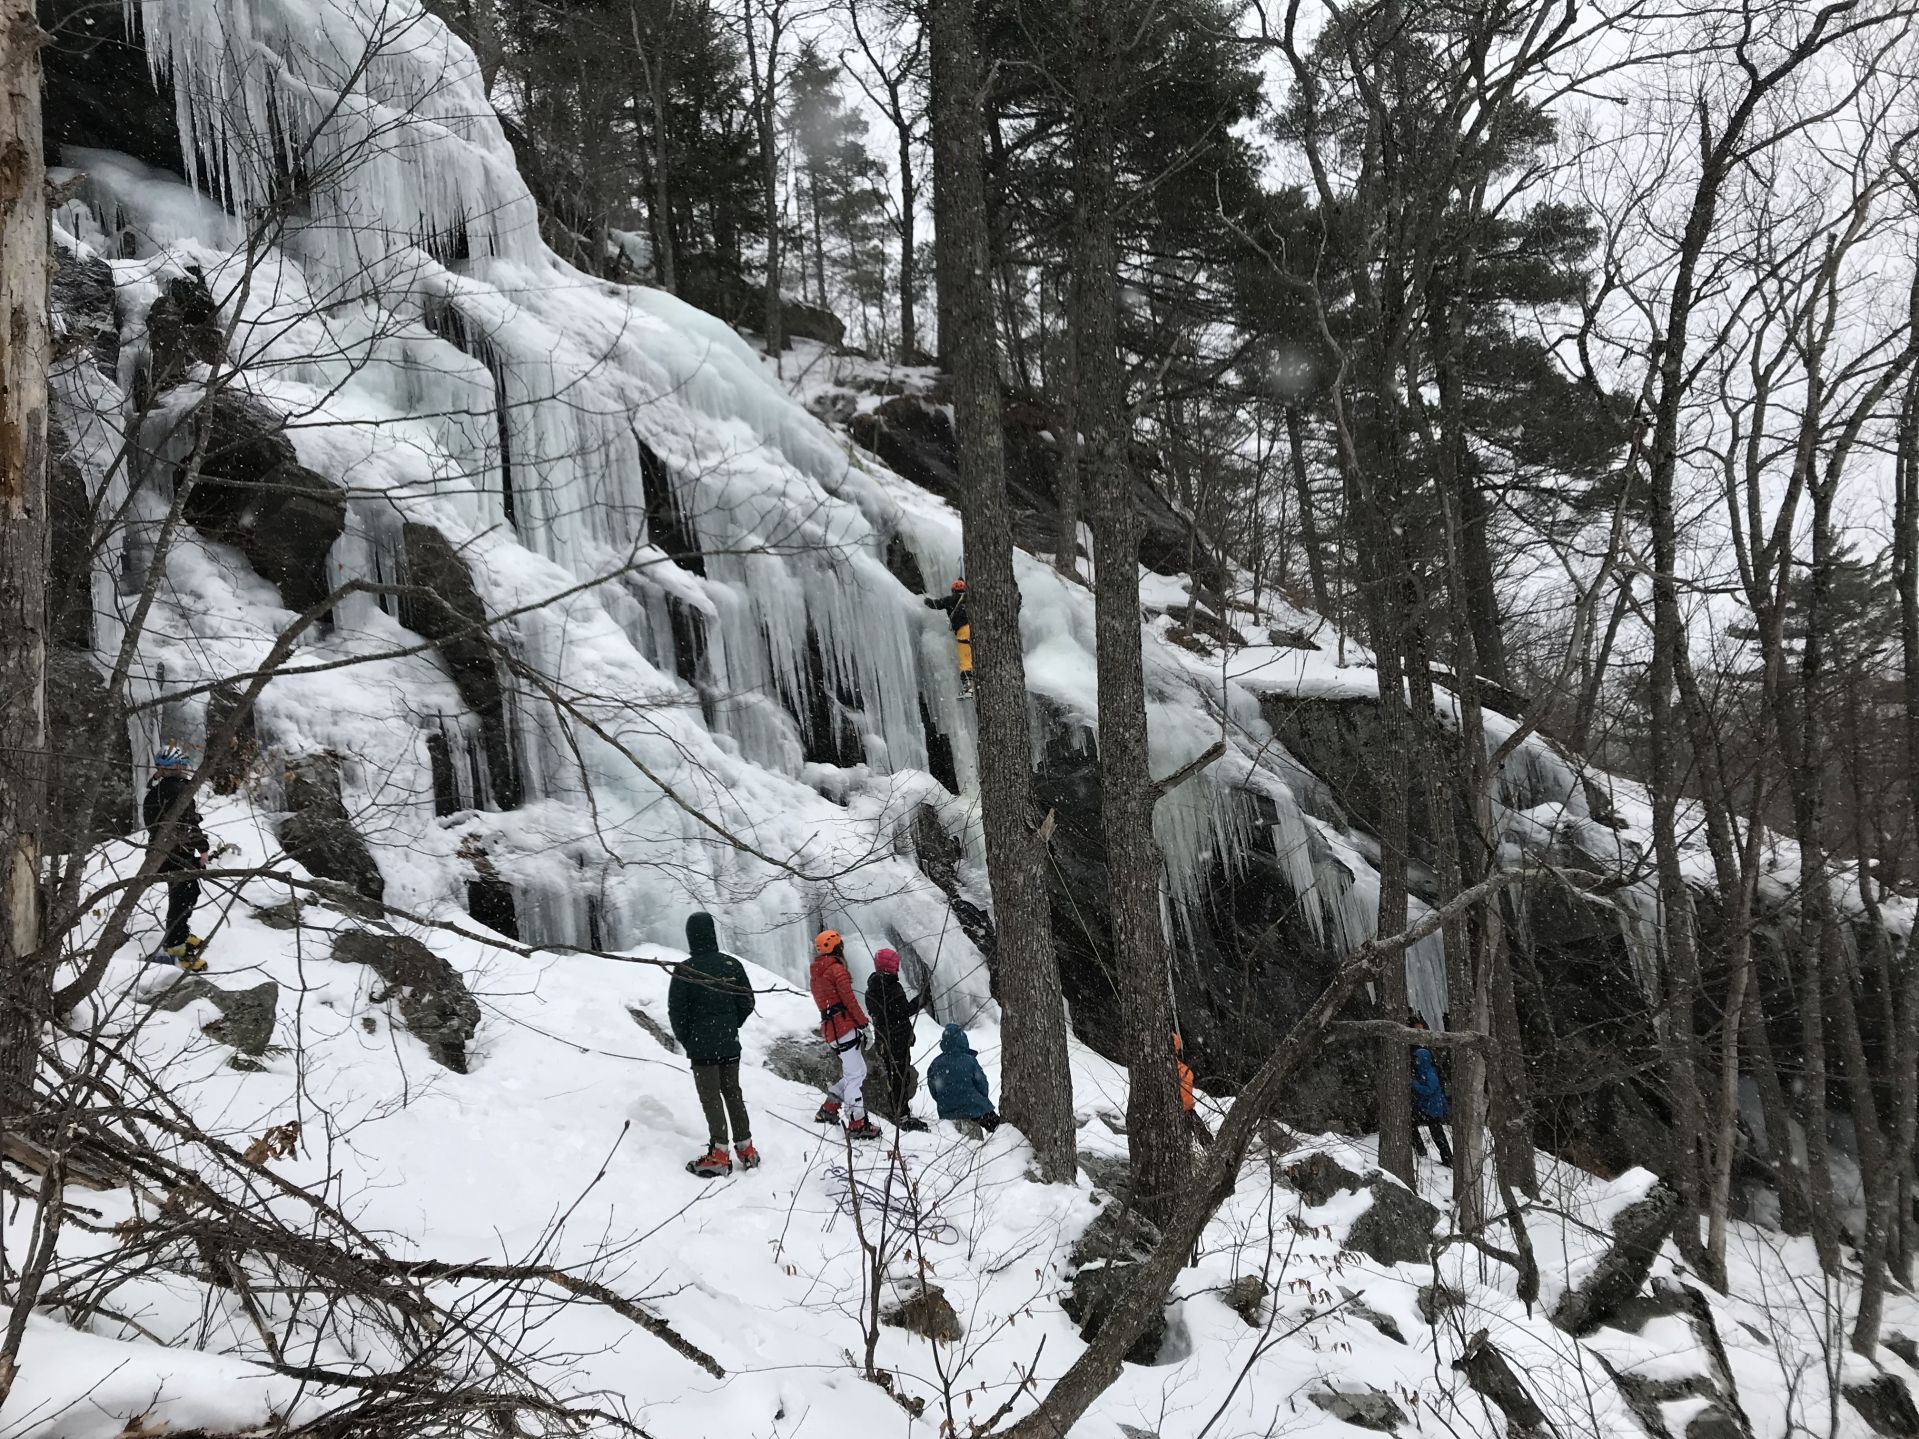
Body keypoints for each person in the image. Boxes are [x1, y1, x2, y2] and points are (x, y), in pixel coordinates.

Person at [667, 912, 760, 1177]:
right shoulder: (731, 965)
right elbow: (748, 1001)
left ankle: (719, 1152)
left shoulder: (685, 970)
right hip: (729, 1043)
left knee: (711, 1097)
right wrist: (731, 1024)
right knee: (733, 1093)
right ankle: (746, 1148)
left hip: (701, 1046)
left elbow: (677, 1012)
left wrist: (688, 1038)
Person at [809, 930, 881, 1139]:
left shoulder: (817, 972)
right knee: (854, 1076)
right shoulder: (836, 970)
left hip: (832, 1029)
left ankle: (830, 1106)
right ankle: (857, 1122)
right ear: (837, 947)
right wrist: (864, 1024)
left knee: (858, 1071)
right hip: (843, 1027)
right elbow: (849, 1000)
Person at [144, 744, 210, 969]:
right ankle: (175, 946)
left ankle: (180, 933)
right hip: (176, 852)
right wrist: (203, 848)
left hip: (162, 852)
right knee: (184, 896)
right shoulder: (179, 791)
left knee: (183, 893)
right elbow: (187, 823)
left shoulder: (156, 791)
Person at [864, 947, 926, 1128]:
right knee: (900, 1077)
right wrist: (921, 1000)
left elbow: (886, 1016)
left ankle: (899, 1112)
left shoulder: (871, 989)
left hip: (884, 1039)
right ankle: (902, 1115)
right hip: (897, 1041)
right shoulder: (893, 987)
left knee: (895, 1076)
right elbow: (902, 1013)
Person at [926, 1024, 1000, 1136]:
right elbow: (982, 1085)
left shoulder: (935, 1064)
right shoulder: (970, 1061)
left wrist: (946, 1102)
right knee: (999, 1129)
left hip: (948, 1112)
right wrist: (979, 1100)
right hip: (974, 1107)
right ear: (963, 1040)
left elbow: (934, 1091)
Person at [1408, 1016, 1453, 1166]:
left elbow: (1430, 1090)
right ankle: (1421, 1149)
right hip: (1426, 1107)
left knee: (1437, 1133)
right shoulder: (1424, 1070)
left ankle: (1447, 1159)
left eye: (1417, 1059)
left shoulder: (1430, 1072)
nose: (1416, 1062)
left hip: (1432, 1108)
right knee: (1414, 1125)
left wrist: (1414, 1085)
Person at [924, 579, 972, 698]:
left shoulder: (950, 600)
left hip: (963, 631)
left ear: (953, 591)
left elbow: (935, 604)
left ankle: (969, 688)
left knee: (965, 661)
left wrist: (926, 600)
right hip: (975, 630)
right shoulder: (970, 600)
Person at [1174, 1032, 1211, 1146]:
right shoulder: (1185, 1070)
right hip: (1188, 1113)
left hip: (1178, 1113)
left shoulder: (1167, 1070)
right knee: (1205, 1140)